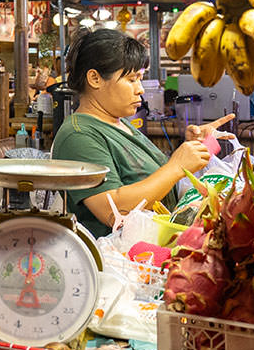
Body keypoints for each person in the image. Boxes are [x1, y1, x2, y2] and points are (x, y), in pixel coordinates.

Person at [50, 28, 233, 238]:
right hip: (117, 260)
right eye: (131, 79)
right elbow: (111, 209)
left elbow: (153, 182)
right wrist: (176, 167)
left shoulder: (121, 124)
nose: (141, 89)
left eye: (141, 78)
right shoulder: (79, 135)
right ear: (95, 78)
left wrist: (194, 148)